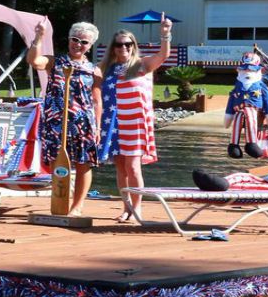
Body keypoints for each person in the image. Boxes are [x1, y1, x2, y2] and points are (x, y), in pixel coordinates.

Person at [98, 13, 174, 222]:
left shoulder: (141, 64)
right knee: (120, 168)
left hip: (134, 123)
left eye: (128, 44)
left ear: (133, 45)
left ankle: (137, 208)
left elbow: (163, 55)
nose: (124, 48)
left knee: (133, 166)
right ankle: (126, 207)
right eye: (119, 45)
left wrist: (165, 34)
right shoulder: (107, 68)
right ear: (113, 47)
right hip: (113, 123)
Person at [28, 20, 103, 214]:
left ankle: (77, 207)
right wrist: (38, 37)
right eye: (75, 39)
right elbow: (34, 61)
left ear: (90, 45)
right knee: (57, 163)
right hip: (56, 122)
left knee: (83, 163)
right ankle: (60, 202)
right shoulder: (54, 62)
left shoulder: (94, 70)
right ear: (69, 39)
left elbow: (96, 100)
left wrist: (97, 127)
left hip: (83, 122)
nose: (78, 44)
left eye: (84, 42)